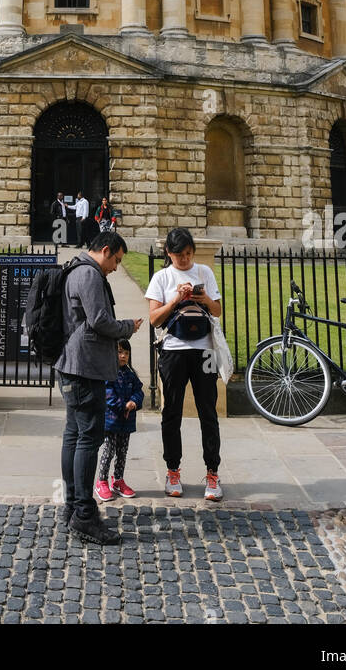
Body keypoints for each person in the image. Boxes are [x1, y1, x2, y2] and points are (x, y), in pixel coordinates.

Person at [55, 231, 142, 545]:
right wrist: (128, 327)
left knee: (74, 436)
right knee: (88, 439)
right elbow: (101, 321)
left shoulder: (74, 268)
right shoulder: (89, 275)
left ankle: (71, 507)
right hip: (84, 368)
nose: (116, 267)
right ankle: (84, 515)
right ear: (106, 250)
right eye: (117, 260)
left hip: (70, 365)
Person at [146, 226, 223, 502]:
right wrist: (177, 299)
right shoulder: (161, 277)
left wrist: (202, 298)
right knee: (172, 413)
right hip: (174, 351)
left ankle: (212, 473)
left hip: (204, 351)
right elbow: (154, 319)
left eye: (189, 254)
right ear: (169, 253)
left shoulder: (204, 272)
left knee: (208, 413)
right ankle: (172, 470)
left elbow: (217, 311)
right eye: (180, 255)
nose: (185, 259)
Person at [95, 339, 144, 501]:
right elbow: (108, 395)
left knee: (122, 452)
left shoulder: (130, 374)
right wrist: (123, 406)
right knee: (108, 451)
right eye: (119, 352)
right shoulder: (108, 373)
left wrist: (134, 402)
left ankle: (118, 480)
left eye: (126, 353)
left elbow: (139, 391)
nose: (123, 356)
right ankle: (101, 481)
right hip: (111, 421)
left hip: (127, 422)